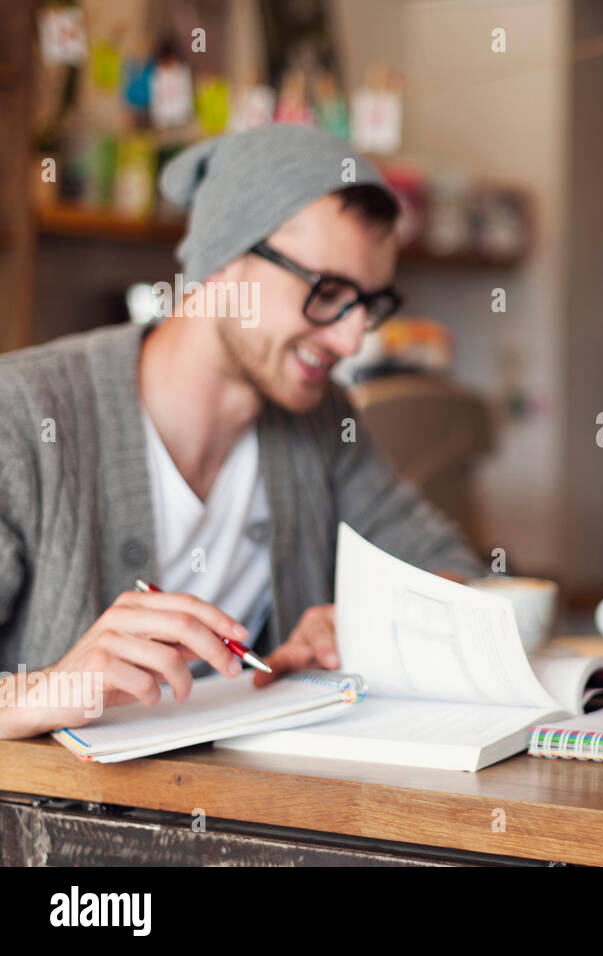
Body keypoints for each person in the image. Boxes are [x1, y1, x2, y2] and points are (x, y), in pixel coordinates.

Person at [0, 124, 485, 740]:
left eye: (368, 304)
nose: (348, 339)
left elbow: (452, 570)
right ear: (224, 261)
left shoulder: (321, 420)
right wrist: (48, 688)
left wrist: (375, 621)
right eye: (327, 292)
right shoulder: (20, 417)